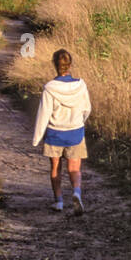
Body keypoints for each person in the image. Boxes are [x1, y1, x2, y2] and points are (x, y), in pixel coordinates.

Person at [32, 48, 92, 213]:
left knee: (55, 168)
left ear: (54, 65)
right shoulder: (81, 85)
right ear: (70, 65)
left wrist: (36, 138)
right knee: (74, 168)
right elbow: (87, 108)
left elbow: (43, 114)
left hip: (55, 133)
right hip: (75, 132)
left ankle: (58, 201)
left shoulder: (50, 88)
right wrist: (80, 121)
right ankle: (76, 192)